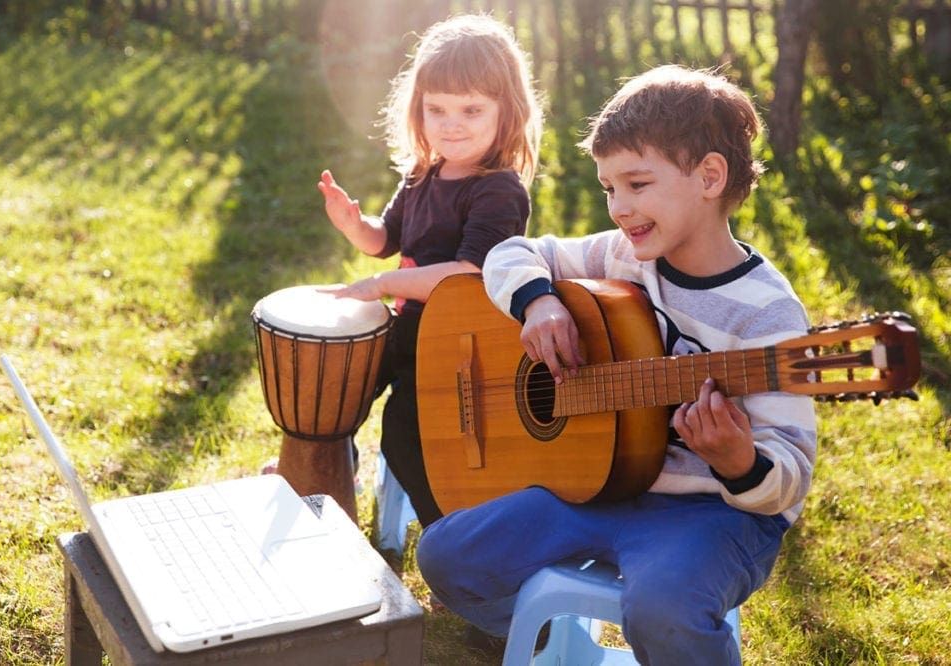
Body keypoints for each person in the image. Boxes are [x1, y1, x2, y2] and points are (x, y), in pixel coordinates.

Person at [415, 64, 817, 663]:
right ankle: (558, 640)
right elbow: (510, 253)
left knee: (663, 607)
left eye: (637, 184)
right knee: (445, 555)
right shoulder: (620, 257)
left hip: (708, 514)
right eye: (609, 188)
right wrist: (538, 300)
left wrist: (738, 461)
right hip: (596, 489)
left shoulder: (767, 316)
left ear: (709, 176)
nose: (619, 208)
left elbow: (791, 473)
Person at [317, 14, 544, 528]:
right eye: (436, 109)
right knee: (337, 386)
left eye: (470, 109)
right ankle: (324, 481)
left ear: (507, 113)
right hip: (409, 329)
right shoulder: (425, 171)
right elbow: (388, 240)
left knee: (404, 433)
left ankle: (452, 533)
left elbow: (467, 274)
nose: (451, 123)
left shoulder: (498, 190)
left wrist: (382, 285)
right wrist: (355, 225)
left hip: (456, 345)